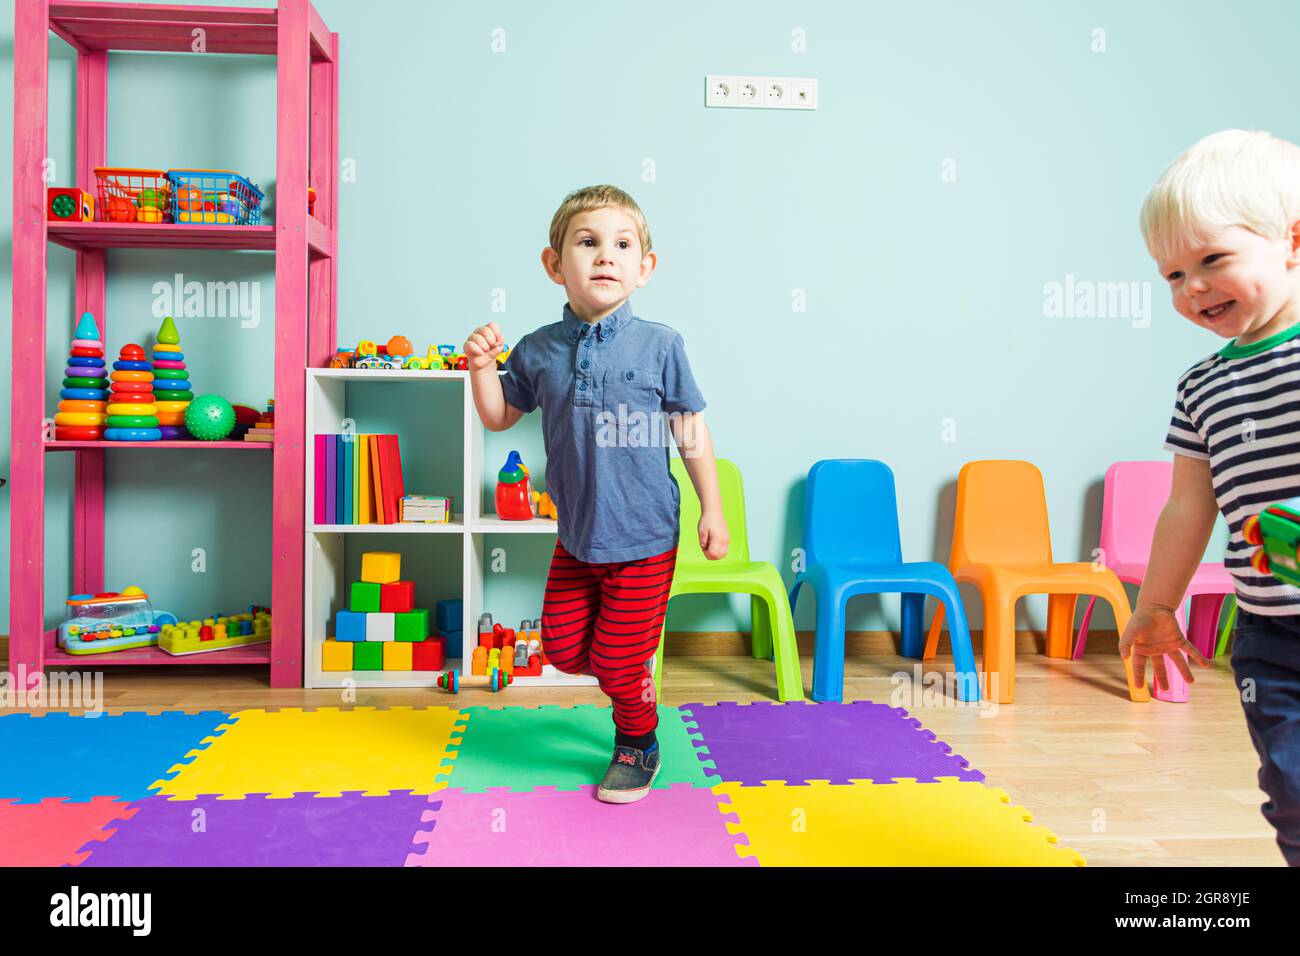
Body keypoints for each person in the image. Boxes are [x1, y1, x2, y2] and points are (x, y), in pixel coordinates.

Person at [464, 184, 728, 803]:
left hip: (644, 538)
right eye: (587, 243)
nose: (605, 255)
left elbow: (690, 431)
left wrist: (711, 508)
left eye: (622, 244)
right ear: (555, 264)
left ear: (645, 267)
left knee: (615, 661)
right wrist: (480, 369)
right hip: (577, 537)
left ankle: (637, 739)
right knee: (558, 644)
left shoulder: (661, 345)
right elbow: (500, 415)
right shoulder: (537, 349)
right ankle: (628, 674)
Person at [1124, 129, 1300, 864]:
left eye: (1213, 260)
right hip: (1270, 633)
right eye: (1171, 275)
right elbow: (1188, 507)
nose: (1192, 287)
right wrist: (1156, 606)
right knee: (1290, 786)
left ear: (1292, 240)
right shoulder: (1200, 385)